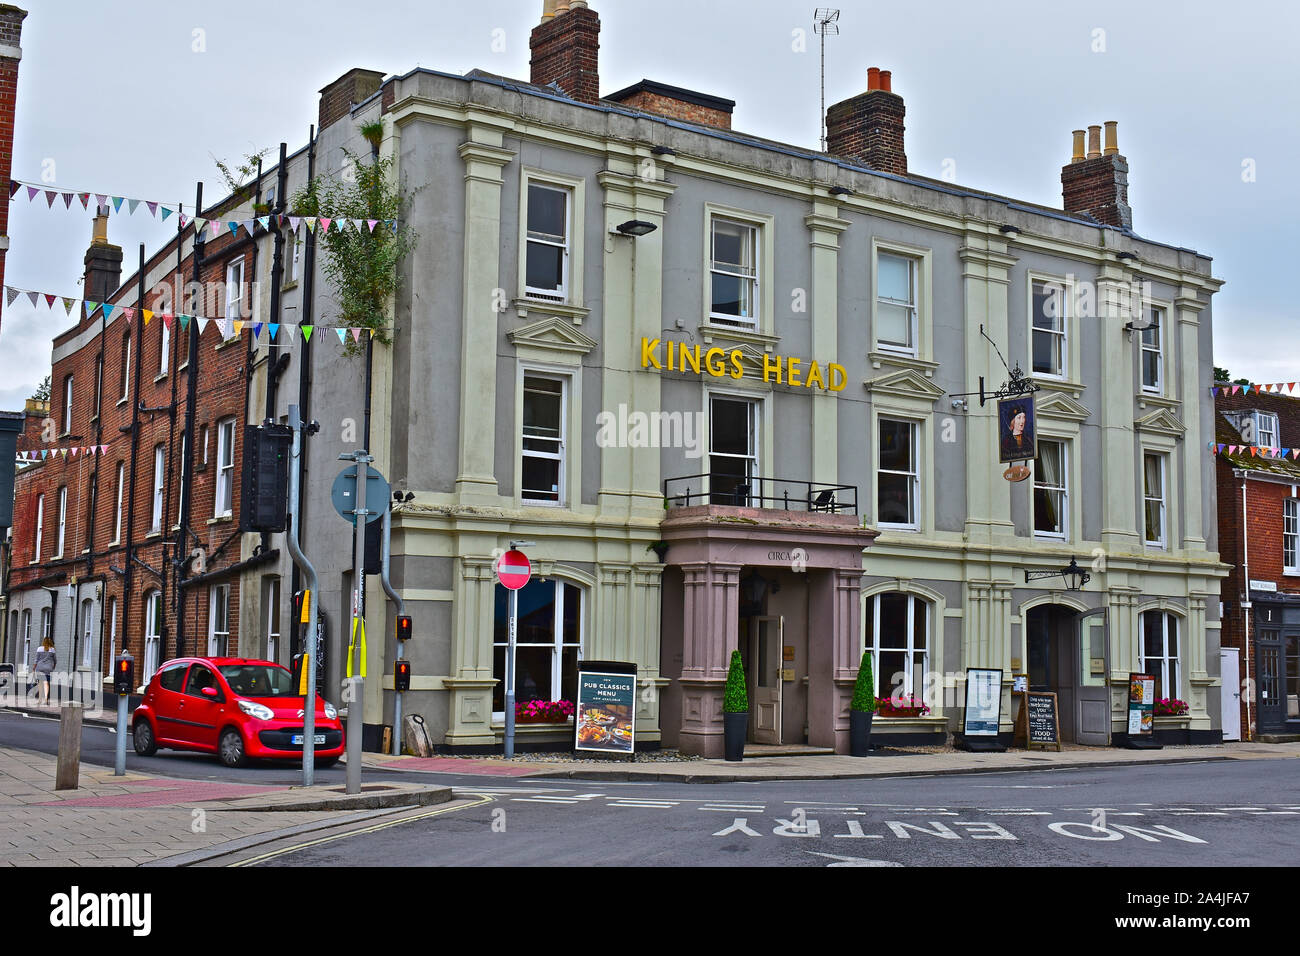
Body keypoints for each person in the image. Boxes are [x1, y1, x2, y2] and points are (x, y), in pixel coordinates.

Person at [32, 637, 56, 705]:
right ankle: (46, 700)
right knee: (46, 683)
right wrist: (53, 667)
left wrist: (34, 668)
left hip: (40, 667)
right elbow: (55, 660)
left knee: (40, 684)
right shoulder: (52, 650)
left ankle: (40, 700)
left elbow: (36, 659)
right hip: (48, 668)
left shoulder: (39, 648)